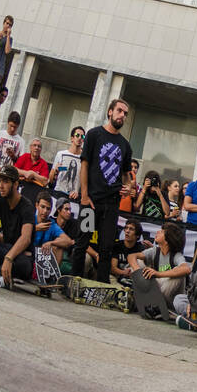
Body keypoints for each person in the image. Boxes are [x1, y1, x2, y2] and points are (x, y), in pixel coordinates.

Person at [72, 98, 132, 283]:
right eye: (120, 111)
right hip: (91, 202)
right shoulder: (93, 135)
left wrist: (128, 187)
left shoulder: (125, 145)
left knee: (106, 247)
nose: (122, 115)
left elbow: (126, 174)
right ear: (110, 112)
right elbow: (84, 165)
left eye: (125, 113)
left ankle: (102, 286)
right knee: (83, 242)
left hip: (111, 205)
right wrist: (84, 195)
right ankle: (74, 281)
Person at [127, 221, 190, 313]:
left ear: (168, 239)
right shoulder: (155, 251)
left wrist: (158, 274)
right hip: (155, 289)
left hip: (170, 298)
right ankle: (139, 298)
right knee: (139, 262)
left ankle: (149, 303)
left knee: (178, 273)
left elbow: (186, 269)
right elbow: (131, 256)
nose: (157, 232)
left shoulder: (176, 255)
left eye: (161, 232)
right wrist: (138, 273)